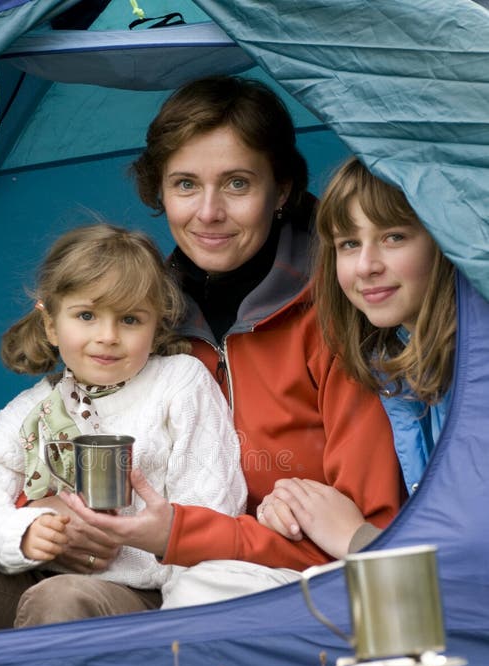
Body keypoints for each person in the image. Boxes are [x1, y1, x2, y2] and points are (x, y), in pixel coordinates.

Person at [42, 76, 403, 607]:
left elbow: (367, 532)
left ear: (280, 191)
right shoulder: (141, 322)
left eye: (237, 184)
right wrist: (55, 520)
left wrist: (179, 536)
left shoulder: (344, 312)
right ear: (159, 191)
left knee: (188, 590)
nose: (208, 213)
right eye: (185, 184)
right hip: (146, 568)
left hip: (291, 581)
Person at [0, 224, 246, 642]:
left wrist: (182, 618)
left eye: (130, 319)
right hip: (32, 582)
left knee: (61, 596)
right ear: (51, 326)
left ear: (157, 327)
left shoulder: (179, 384)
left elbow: (213, 508)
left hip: (140, 599)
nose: (108, 336)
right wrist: (25, 532)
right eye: (86, 316)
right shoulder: (29, 410)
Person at [257, 157, 456, 557]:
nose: (366, 266)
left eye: (393, 237)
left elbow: (467, 559)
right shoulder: (393, 361)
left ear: (443, 239)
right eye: (348, 244)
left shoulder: (475, 368)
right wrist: (291, 505)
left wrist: (356, 540)